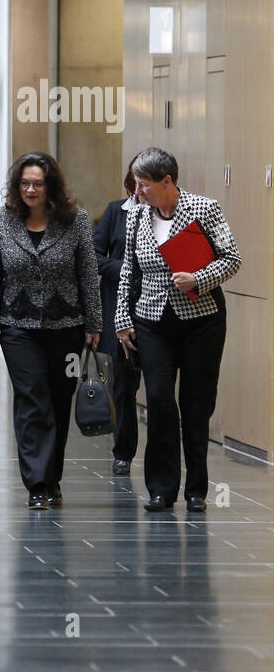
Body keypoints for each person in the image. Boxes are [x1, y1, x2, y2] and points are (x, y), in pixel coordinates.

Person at [115, 147, 241, 513]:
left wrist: (198, 278)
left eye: (143, 185)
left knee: (196, 405)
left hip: (201, 321)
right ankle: (161, 488)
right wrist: (122, 321)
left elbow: (232, 258)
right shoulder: (137, 215)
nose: (137, 192)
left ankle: (196, 489)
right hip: (152, 322)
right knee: (158, 400)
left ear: (167, 182)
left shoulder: (204, 209)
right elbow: (128, 271)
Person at [0, 153, 102, 509]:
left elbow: (88, 275)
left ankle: (52, 479)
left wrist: (94, 324)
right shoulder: (0, 220)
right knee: (33, 400)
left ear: (51, 187)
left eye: (38, 183)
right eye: (25, 183)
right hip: (19, 325)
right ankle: (36, 484)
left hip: (67, 326)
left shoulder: (74, 220)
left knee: (59, 402)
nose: (31, 190)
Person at [93, 163, 144, 476]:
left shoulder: (166, 214)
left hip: (156, 311)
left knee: (159, 386)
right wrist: (124, 270)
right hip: (120, 309)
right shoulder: (115, 212)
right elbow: (95, 255)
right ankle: (123, 452)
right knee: (123, 386)